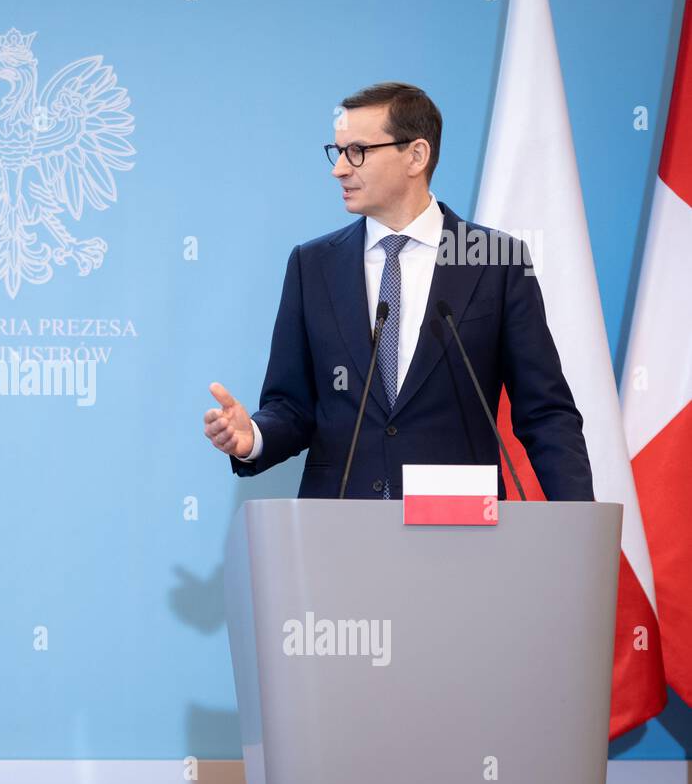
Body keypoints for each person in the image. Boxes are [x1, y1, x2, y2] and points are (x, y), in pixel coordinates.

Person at [203, 82, 592, 500]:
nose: (339, 169)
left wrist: (580, 532)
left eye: (358, 152)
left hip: (460, 531)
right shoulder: (312, 265)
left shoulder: (495, 261)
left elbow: (545, 413)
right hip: (340, 530)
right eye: (337, 152)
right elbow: (293, 406)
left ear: (416, 156)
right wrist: (254, 437)